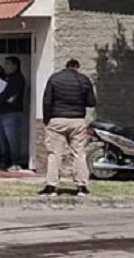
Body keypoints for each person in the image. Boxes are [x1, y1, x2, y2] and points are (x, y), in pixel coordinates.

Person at [40, 58, 97, 196]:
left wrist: (47, 119)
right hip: (77, 120)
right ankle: (81, 186)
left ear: (66, 67)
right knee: (78, 153)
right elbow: (91, 102)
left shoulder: (54, 79)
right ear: (77, 67)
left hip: (57, 119)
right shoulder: (84, 80)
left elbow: (47, 101)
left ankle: (51, 186)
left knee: (54, 154)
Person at [0, 56, 27, 172]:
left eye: (8, 64)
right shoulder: (3, 78)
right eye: (5, 64)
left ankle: (16, 162)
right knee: (2, 138)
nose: (5, 66)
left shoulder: (18, 79)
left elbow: (11, 97)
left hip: (12, 112)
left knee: (12, 138)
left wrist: (0, 98)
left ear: (15, 65)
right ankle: (4, 161)